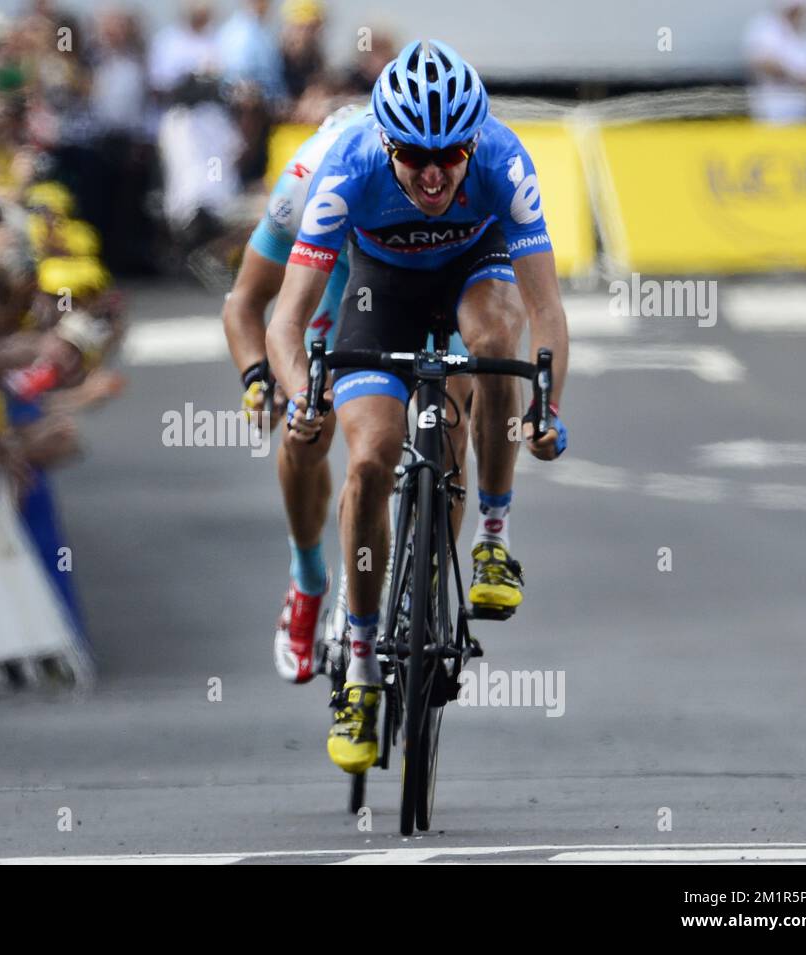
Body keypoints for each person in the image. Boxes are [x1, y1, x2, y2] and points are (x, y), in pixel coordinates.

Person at [266, 40, 570, 774]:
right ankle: (364, 668)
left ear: (473, 142)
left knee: (498, 337)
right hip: (382, 291)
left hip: (475, 269)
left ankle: (493, 534)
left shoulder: (503, 159)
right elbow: (285, 320)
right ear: (385, 144)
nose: (434, 175)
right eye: (413, 157)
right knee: (369, 462)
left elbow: (547, 310)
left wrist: (548, 408)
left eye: (450, 156)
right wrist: (301, 398)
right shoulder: (348, 166)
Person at [224, 102, 474, 686]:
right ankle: (310, 578)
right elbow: (243, 304)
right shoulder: (307, 184)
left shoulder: (433, 172)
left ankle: (421, 584)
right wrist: (259, 380)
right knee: (307, 423)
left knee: (457, 406)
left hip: (418, 268)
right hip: (337, 278)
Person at [743, 0, 806, 123]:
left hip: (805, 117)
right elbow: (760, 61)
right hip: (773, 116)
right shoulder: (766, 27)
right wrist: (795, 75)